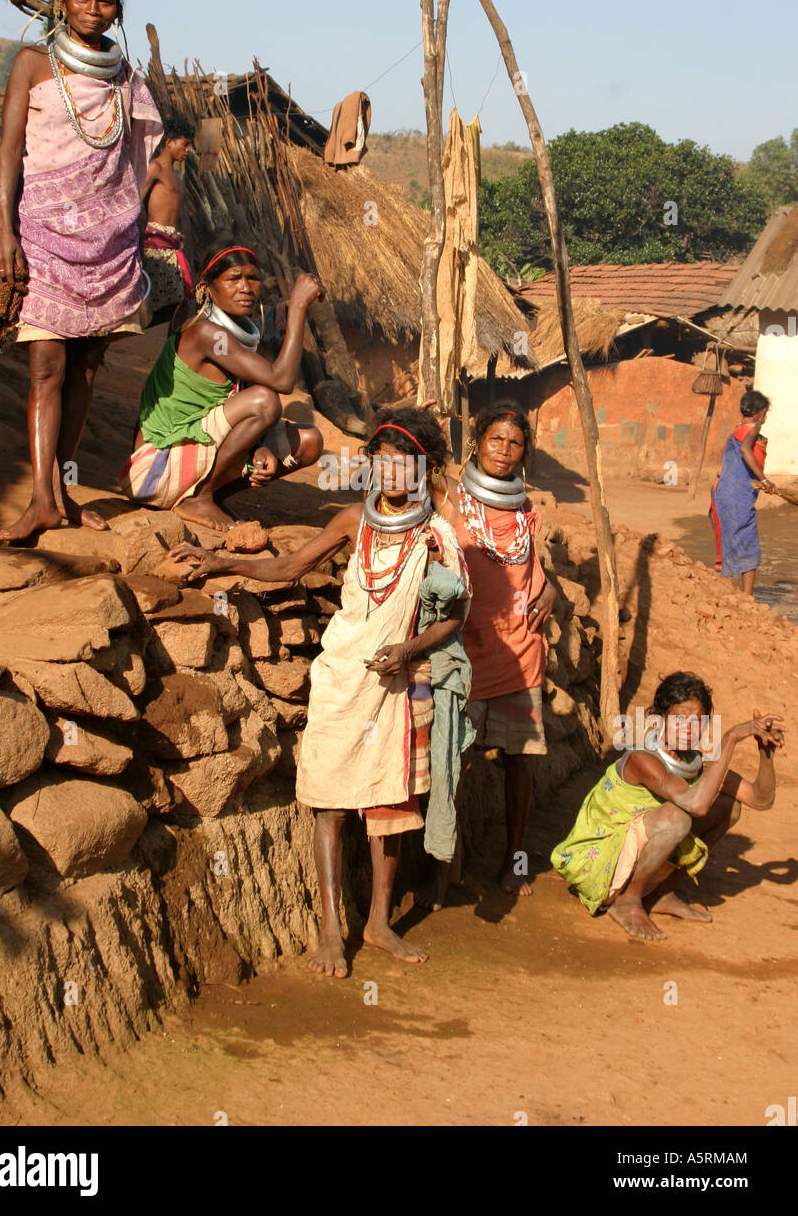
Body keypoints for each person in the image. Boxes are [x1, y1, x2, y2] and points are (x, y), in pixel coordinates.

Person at [170, 409, 471, 977]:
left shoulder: (438, 536)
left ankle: (379, 923)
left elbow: (456, 615)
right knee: (330, 802)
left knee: (390, 804)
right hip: (343, 676)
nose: (388, 472)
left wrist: (409, 651)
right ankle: (331, 929)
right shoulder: (350, 521)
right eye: (379, 461)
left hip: (400, 681)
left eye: (401, 462)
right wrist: (221, 561)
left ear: (424, 468)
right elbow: (288, 567)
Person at [0, 0, 164, 543]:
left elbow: (138, 162)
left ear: (118, 10)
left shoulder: (126, 79)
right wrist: (2, 229)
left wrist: (129, 225)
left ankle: (62, 492)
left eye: (105, 1)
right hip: (42, 231)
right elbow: (9, 153)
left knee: (87, 366)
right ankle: (41, 499)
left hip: (107, 240)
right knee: (47, 363)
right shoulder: (32, 64)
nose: (94, 10)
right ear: (63, 2)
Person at [419, 402, 556, 908]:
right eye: (495, 440)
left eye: (515, 442)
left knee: (520, 765)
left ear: (525, 451)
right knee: (452, 762)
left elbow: (530, 572)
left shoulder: (526, 511)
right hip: (464, 653)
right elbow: (409, 470)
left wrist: (551, 592)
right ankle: (441, 868)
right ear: (477, 442)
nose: (504, 450)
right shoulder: (451, 499)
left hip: (520, 654)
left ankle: (513, 858)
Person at [551, 671, 784, 941]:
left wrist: (767, 753)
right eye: (678, 719)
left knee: (728, 807)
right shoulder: (642, 759)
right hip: (598, 862)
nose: (688, 728)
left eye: (697, 721)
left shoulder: (697, 763)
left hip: (632, 853)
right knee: (678, 817)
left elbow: (760, 800)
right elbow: (695, 805)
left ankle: (660, 894)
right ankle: (627, 901)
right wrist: (731, 737)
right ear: (658, 720)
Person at [120, 241, 324, 530]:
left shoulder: (237, 333)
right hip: (154, 470)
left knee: (309, 441)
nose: (245, 287)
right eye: (233, 278)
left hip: (190, 456)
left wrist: (259, 448)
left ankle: (210, 495)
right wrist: (298, 306)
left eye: (252, 278)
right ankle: (200, 497)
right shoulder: (204, 333)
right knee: (265, 400)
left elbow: (234, 410)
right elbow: (282, 381)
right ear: (208, 288)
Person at [710, 388, 776, 596]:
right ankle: (747, 597)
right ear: (758, 413)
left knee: (730, 541)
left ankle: (727, 590)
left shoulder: (738, 429)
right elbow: (746, 450)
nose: (764, 420)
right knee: (748, 543)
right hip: (737, 494)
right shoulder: (752, 428)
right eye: (764, 414)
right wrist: (764, 479)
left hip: (724, 493)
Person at [141, 114, 196, 327]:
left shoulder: (176, 177)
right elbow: (137, 200)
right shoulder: (155, 168)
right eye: (185, 144)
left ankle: (171, 347)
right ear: (169, 142)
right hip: (155, 248)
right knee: (169, 303)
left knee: (179, 303)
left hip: (173, 247)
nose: (188, 150)